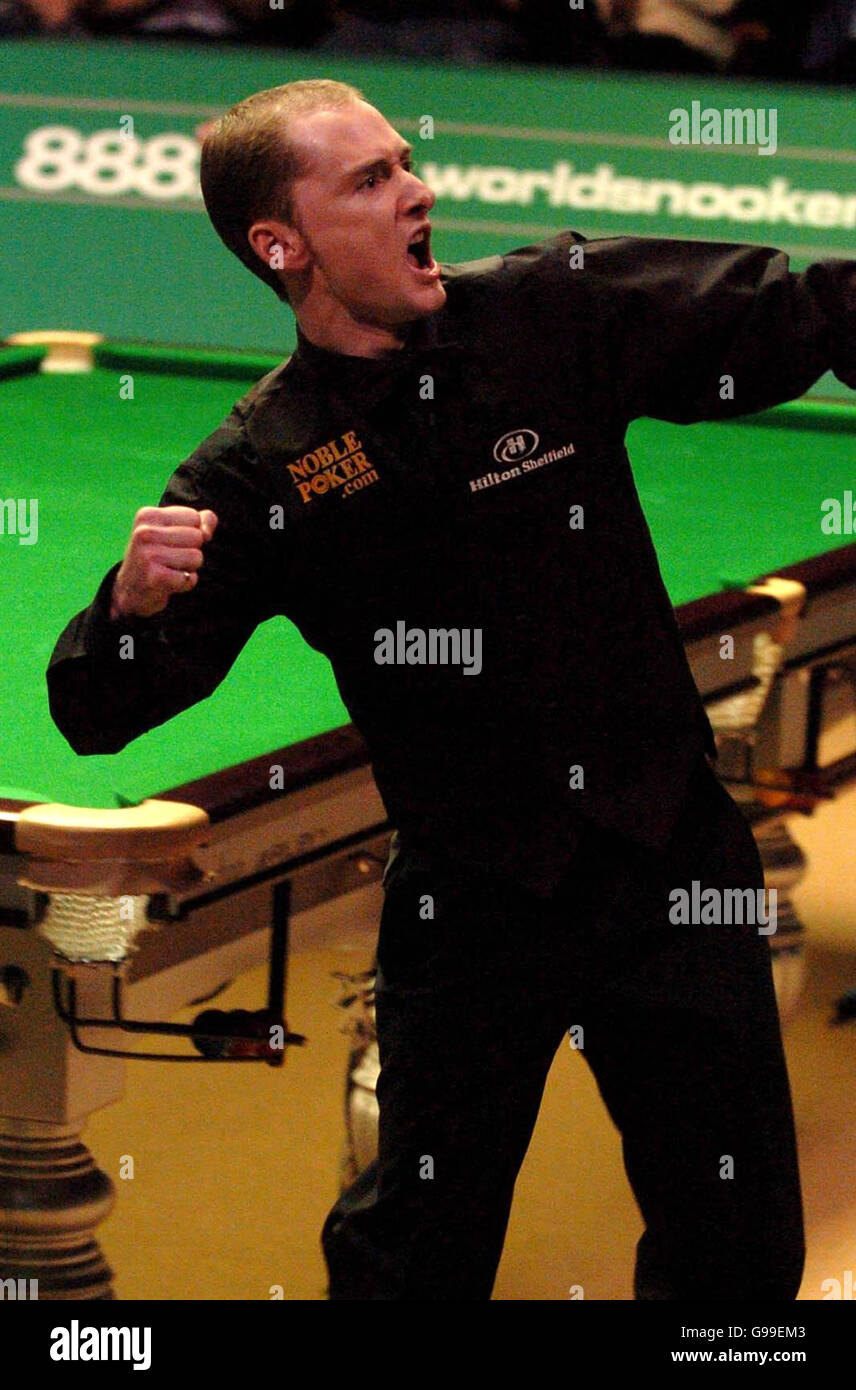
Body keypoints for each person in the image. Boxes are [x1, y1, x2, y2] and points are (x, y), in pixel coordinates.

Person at [47, 79, 856, 1300]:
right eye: (368, 180)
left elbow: (797, 316)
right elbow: (97, 710)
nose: (419, 190)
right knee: (412, 1254)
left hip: (669, 852)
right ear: (283, 244)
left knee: (735, 1244)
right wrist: (127, 609)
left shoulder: (546, 311)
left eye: (404, 162)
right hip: (475, 900)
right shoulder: (260, 464)